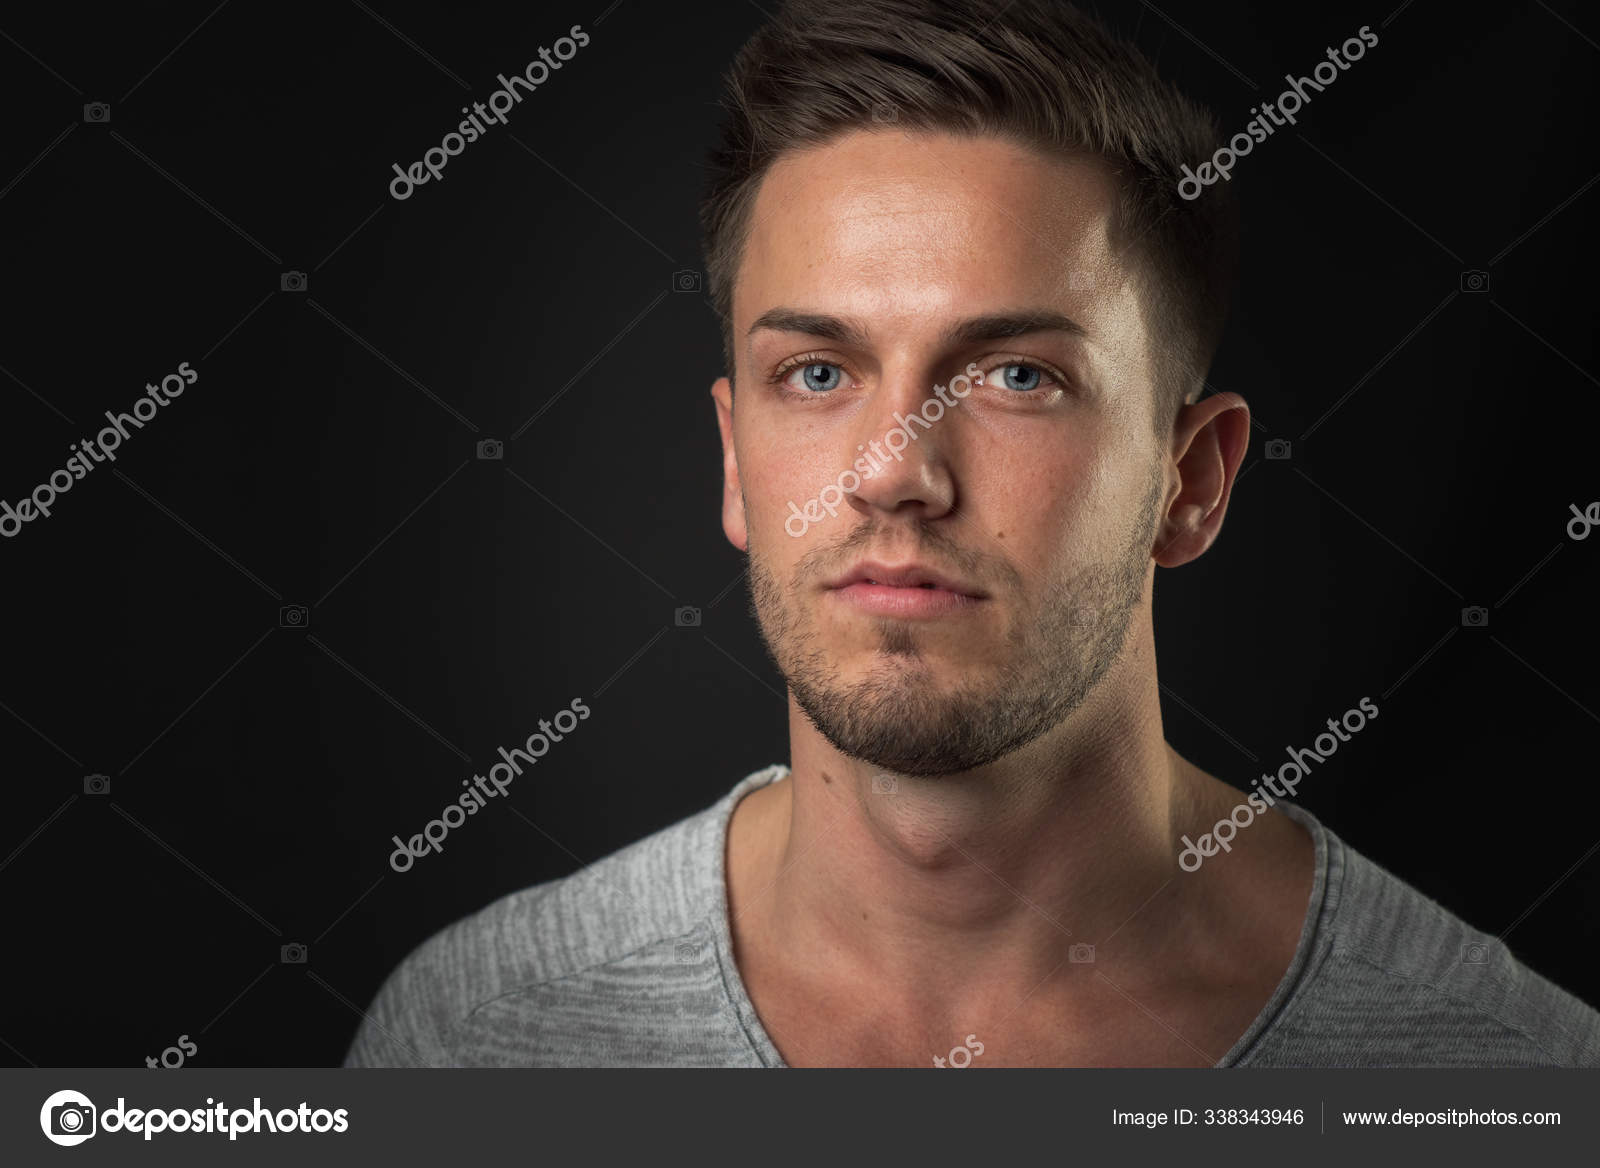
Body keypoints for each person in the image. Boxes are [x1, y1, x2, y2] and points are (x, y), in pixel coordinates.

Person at [346, 0, 1600, 1068]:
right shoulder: (474, 1034)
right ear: (734, 457)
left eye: (1014, 377)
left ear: (1192, 479)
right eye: (819, 374)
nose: (896, 473)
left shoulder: (1500, 1068)